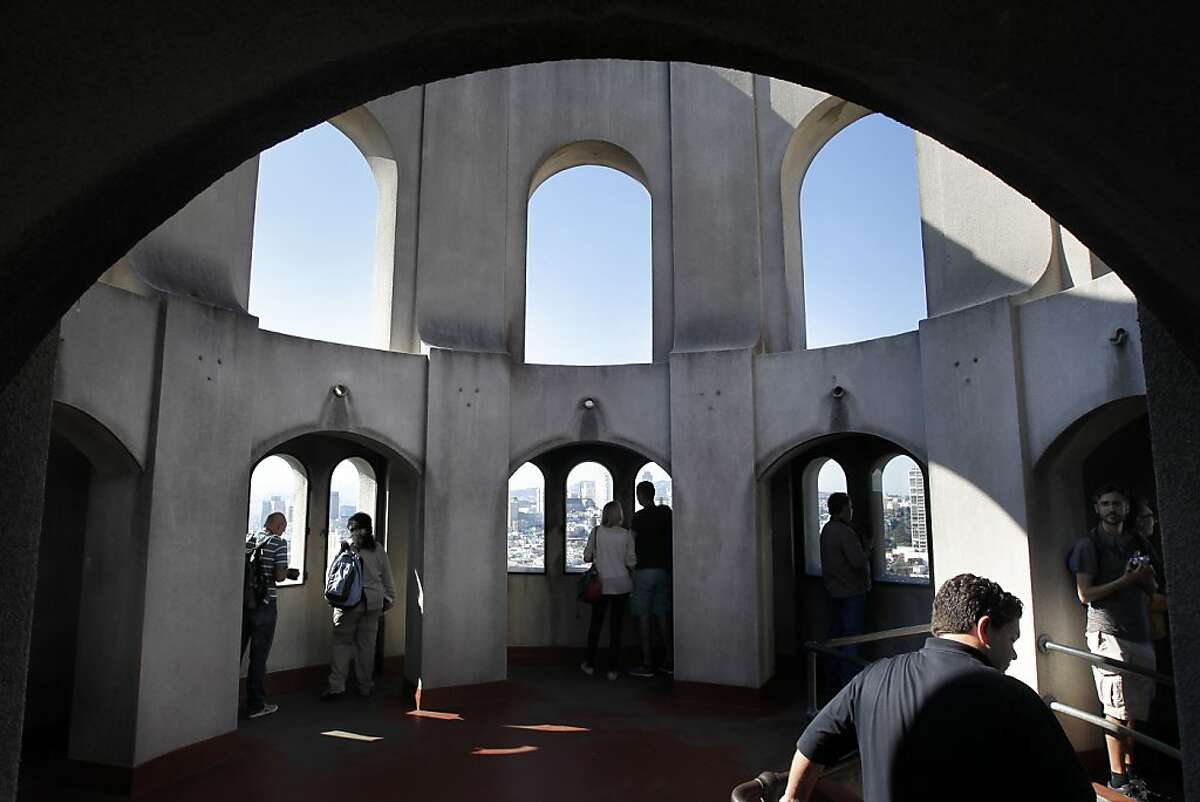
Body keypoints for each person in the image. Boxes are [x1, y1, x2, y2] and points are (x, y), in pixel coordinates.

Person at [780, 573, 1094, 802]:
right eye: (1011, 639)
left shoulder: (872, 679)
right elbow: (1076, 792)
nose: (1012, 654)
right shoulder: (1015, 699)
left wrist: (792, 799)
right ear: (984, 629)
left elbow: (811, 746)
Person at [1069, 483, 1161, 800]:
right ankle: (1117, 778)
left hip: (1139, 634)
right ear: (1097, 507)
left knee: (1133, 709)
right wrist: (1125, 580)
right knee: (1115, 708)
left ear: (1125, 508)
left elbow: (1152, 588)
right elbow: (1085, 595)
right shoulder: (1088, 545)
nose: (1111, 509)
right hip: (1108, 634)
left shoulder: (1139, 542)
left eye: (1117, 504)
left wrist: (1142, 576)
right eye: (1106, 503)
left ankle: (1131, 773)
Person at [321, 512, 397, 700]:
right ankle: (365, 685)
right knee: (366, 647)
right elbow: (387, 578)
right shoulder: (378, 549)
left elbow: (331, 576)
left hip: (347, 605)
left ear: (351, 529)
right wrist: (389, 599)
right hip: (373, 604)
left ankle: (336, 687)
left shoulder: (345, 549)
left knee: (342, 644)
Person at [242, 512, 299, 719]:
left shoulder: (249, 538)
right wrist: (288, 572)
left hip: (244, 604)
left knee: (235, 655)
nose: (283, 530)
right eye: (283, 527)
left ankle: (224, 702)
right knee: (258, 657)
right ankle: (256, 705)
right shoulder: (279, 543)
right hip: (265, 605)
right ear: (278, 525)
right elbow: (278, 575)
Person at [581, 500, 636, 681]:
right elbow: (631, 562)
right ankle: (613, 669)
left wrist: (598, 557)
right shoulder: (626, 535)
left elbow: (587, 556)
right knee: (616, 628)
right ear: (620, 515)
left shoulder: (596, 532)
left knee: (595, 625)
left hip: (601, 585)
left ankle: (590, 664)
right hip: (622, 585)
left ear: (604, 514)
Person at [819, 492, 870, 687]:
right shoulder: (844, 532)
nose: (852, 511)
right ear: (843, 509)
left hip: (832, 590)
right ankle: (849, 683)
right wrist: (868, 549)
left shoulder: (827, 529)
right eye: (849, 507)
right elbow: (857, 561)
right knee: (852, 638)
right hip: (852, 591)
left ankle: (831, 678)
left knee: (835, 637)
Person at [628, 481, 673, 677]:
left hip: (644, 569)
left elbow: (631, 542)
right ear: (654, 494)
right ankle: (670, 658)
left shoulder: (639, 517)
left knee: (644, 615)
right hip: (663, 569)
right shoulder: (665, 513)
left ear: (640, 496)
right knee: (662, 613)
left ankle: (647, 664)